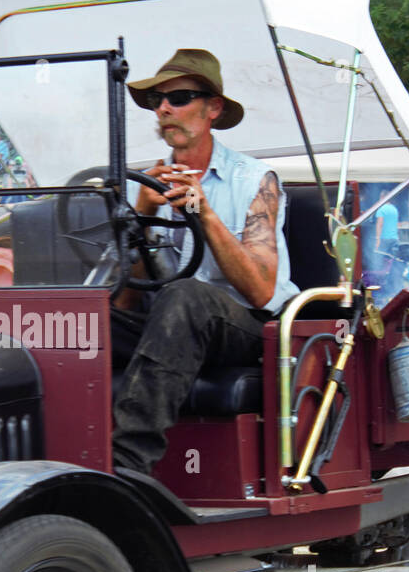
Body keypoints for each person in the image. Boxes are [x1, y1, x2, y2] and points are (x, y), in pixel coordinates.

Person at [111, 48, 298, 475]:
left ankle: (127, 468)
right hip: (170, 325)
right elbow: (125, 302)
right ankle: (58, 452)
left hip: (251, 327)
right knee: (85, 320)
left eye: (178, 98)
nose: (163, 109)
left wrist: (205, 215)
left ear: (212, 108)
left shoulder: (255, 179)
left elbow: (262, 290)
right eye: (157, 100)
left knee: (185, 296)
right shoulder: (146, 185)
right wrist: (140, 218)